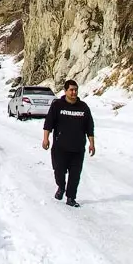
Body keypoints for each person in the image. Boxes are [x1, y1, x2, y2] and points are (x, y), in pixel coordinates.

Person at [42, 79, 96, 208]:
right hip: (60, 148)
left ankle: (71, 197)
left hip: (77, 148)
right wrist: (46, 138)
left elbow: (90, 127)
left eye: (76, 90)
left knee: (75, 175)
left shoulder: (83, 107)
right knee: (59, 171)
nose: (74, 92)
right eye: (71, 90)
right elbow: (48, 123)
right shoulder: (57, 106)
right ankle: (61, 186)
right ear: (65, 91)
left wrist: (92, 143)